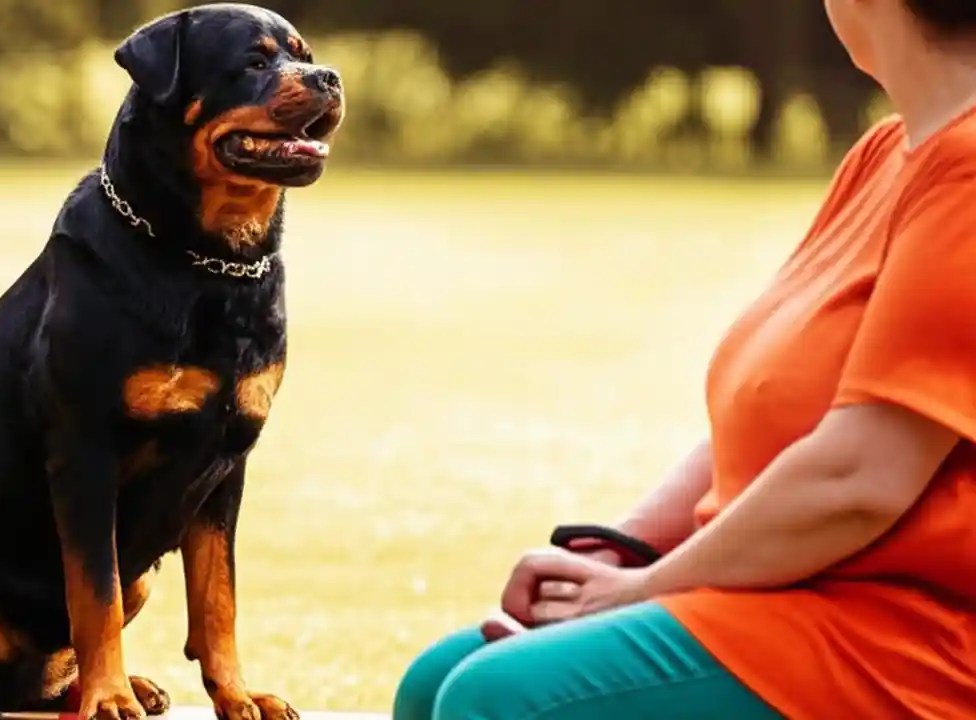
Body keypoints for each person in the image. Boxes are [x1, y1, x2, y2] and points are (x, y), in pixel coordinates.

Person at [392, 1, 976, 717]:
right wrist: (624, 549)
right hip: (795, 594)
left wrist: (646, 589)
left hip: (905, 642)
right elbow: (780, 415)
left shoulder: (967, 173)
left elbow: (859, 479)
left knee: (495, 698)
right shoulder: (886, 155)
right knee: (438, 680)